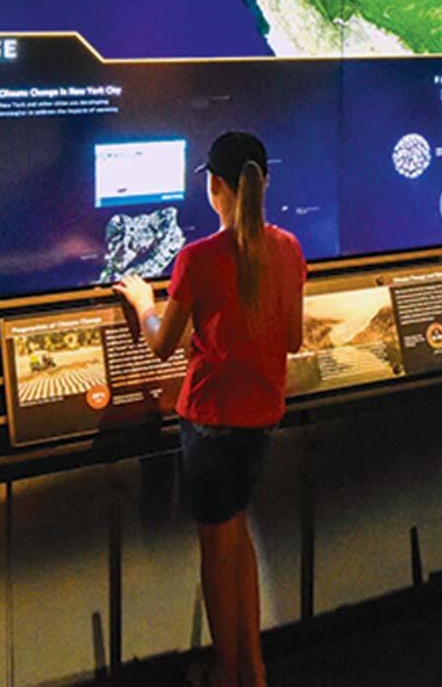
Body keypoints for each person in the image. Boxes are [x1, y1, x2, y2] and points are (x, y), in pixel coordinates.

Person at [115, 131, 306, 687]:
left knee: (215, 548)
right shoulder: (288, 249)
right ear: (263, 183)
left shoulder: (197, 259)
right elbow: (292, 339)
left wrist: (145, 304)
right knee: (237, 535)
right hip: (262, 417)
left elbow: (161, 344)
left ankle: (228, 671)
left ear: (214, 186)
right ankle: (255, 668)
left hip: (210, 423)